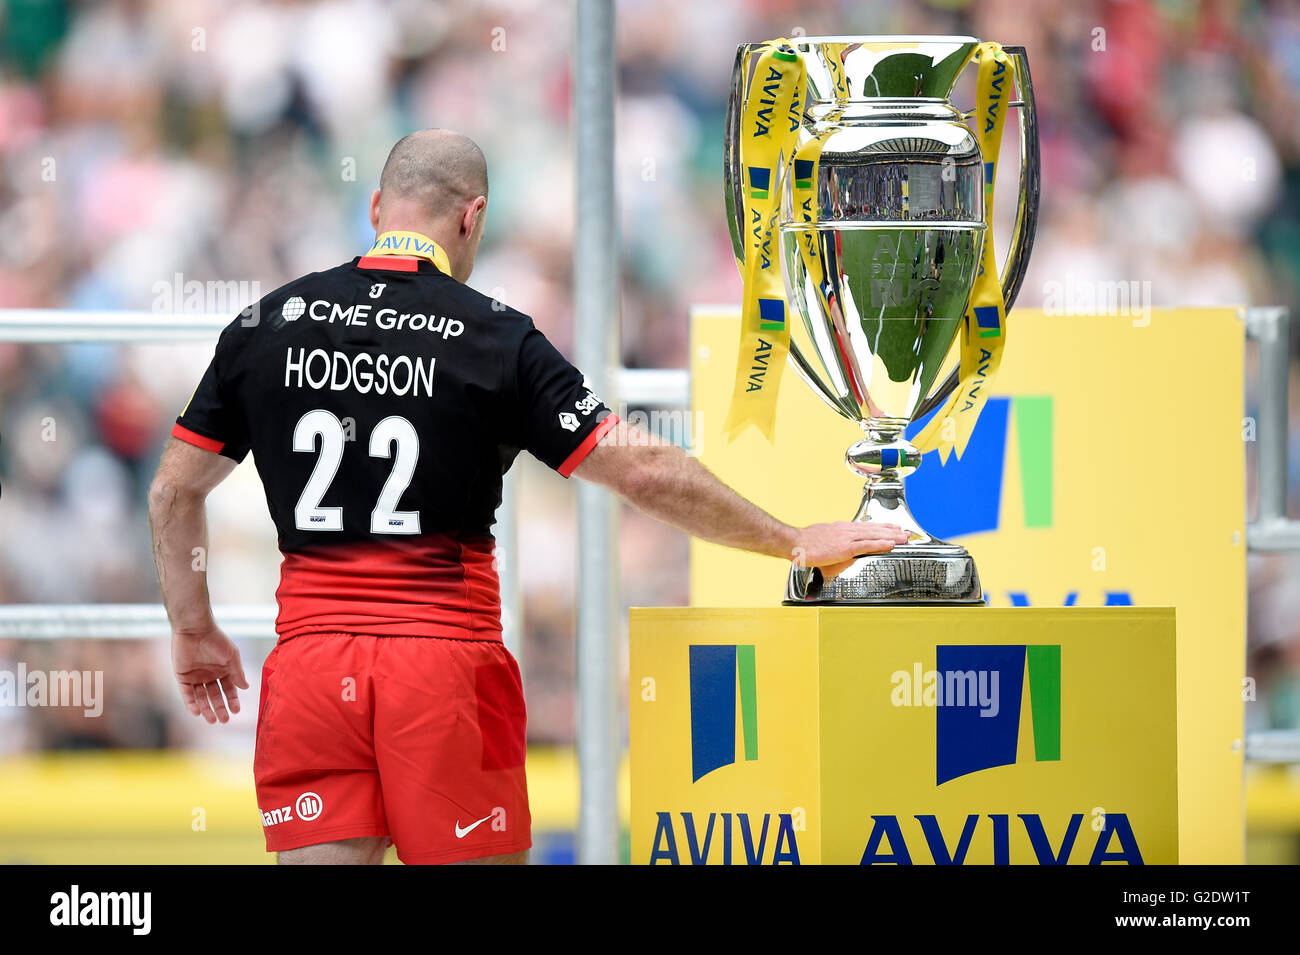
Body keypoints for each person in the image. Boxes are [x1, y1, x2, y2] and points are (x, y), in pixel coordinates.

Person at [147, 129, 907, 866]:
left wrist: (194, 626)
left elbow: (174, 491)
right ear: (472, 218)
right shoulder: (494, 337)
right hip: (442, 667)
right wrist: (791, 538)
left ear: (378, 205)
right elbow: (639, 470)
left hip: (311, 668)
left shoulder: (270, 321)